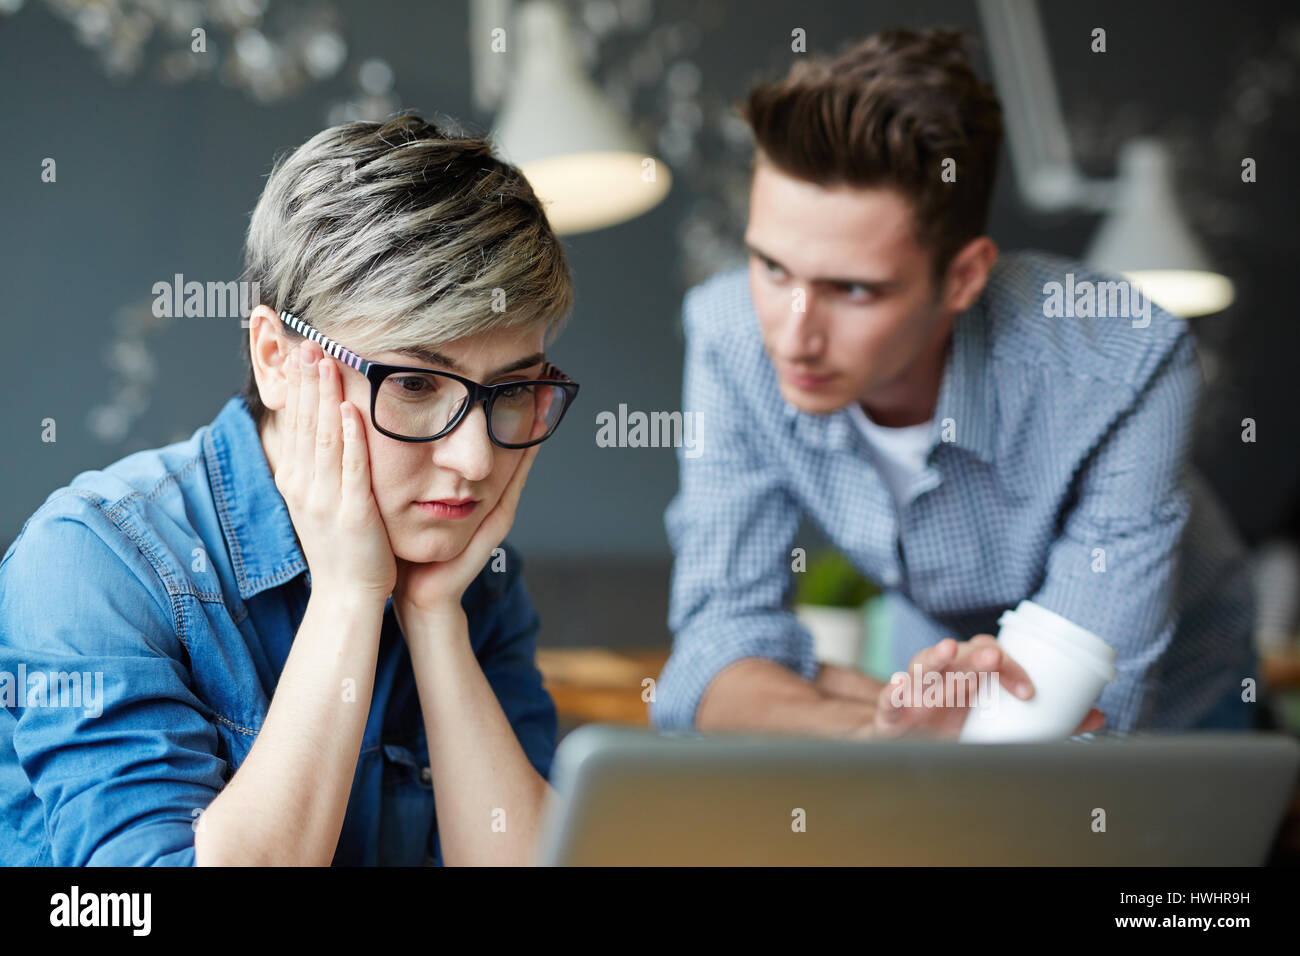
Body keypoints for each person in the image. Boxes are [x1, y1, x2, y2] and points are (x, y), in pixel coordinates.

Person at [0, 113, 579, 865]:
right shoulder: (91, 566)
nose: (472, 459)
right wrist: (346, 597)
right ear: (276, 358)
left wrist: (435, 620)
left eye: (510, 392)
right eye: (411, 382)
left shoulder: (476, 581)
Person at [652, 28, 1256, 738]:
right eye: (772, 267)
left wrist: (909, 733)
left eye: (854, 289)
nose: (792, 335)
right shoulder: (729, 335)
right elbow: (712, 654)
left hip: (1184, 695)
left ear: (963, 277)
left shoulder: (1127, 363)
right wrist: (877, 736)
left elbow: (1086, 718)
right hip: (942, 672)